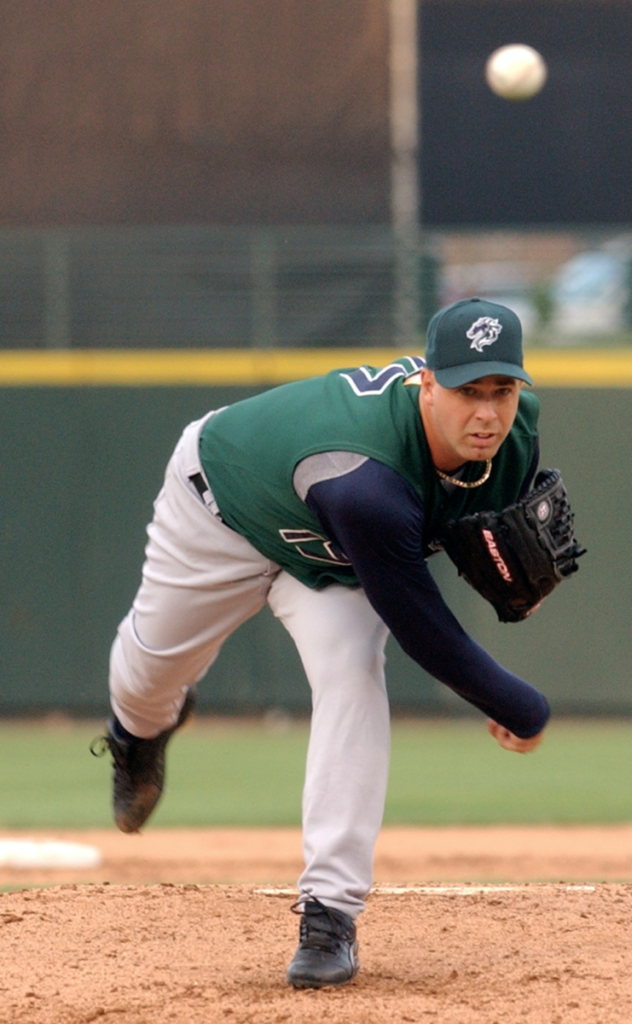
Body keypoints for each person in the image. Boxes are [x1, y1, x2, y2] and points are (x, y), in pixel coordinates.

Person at [94, 296, 550, 989]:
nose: (485, 413)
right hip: (222, 512)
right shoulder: (363, 477)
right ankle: (139, 734)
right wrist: (516, 703)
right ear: (426, 384)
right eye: (465, 392)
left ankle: (328, 913)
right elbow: (421, 624)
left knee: (352, 673)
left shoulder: (515, 438)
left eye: (501, 389)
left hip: (334, 558)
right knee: (147, 676)